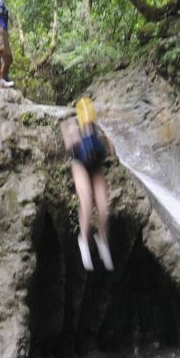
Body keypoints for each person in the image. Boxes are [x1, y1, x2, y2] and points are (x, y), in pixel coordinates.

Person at [60, 97, 113, 271]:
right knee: (87, 202)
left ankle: (102, 240)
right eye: (86, 123)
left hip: (95, 166)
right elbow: (69, 145)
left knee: (104, 208)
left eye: (91, 123)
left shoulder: (99, 134)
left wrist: (110, 144)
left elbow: (109, 151)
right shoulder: (73, 130)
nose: (88, 126)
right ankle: (83, 240)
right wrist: (70, 131)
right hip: (80, 164)